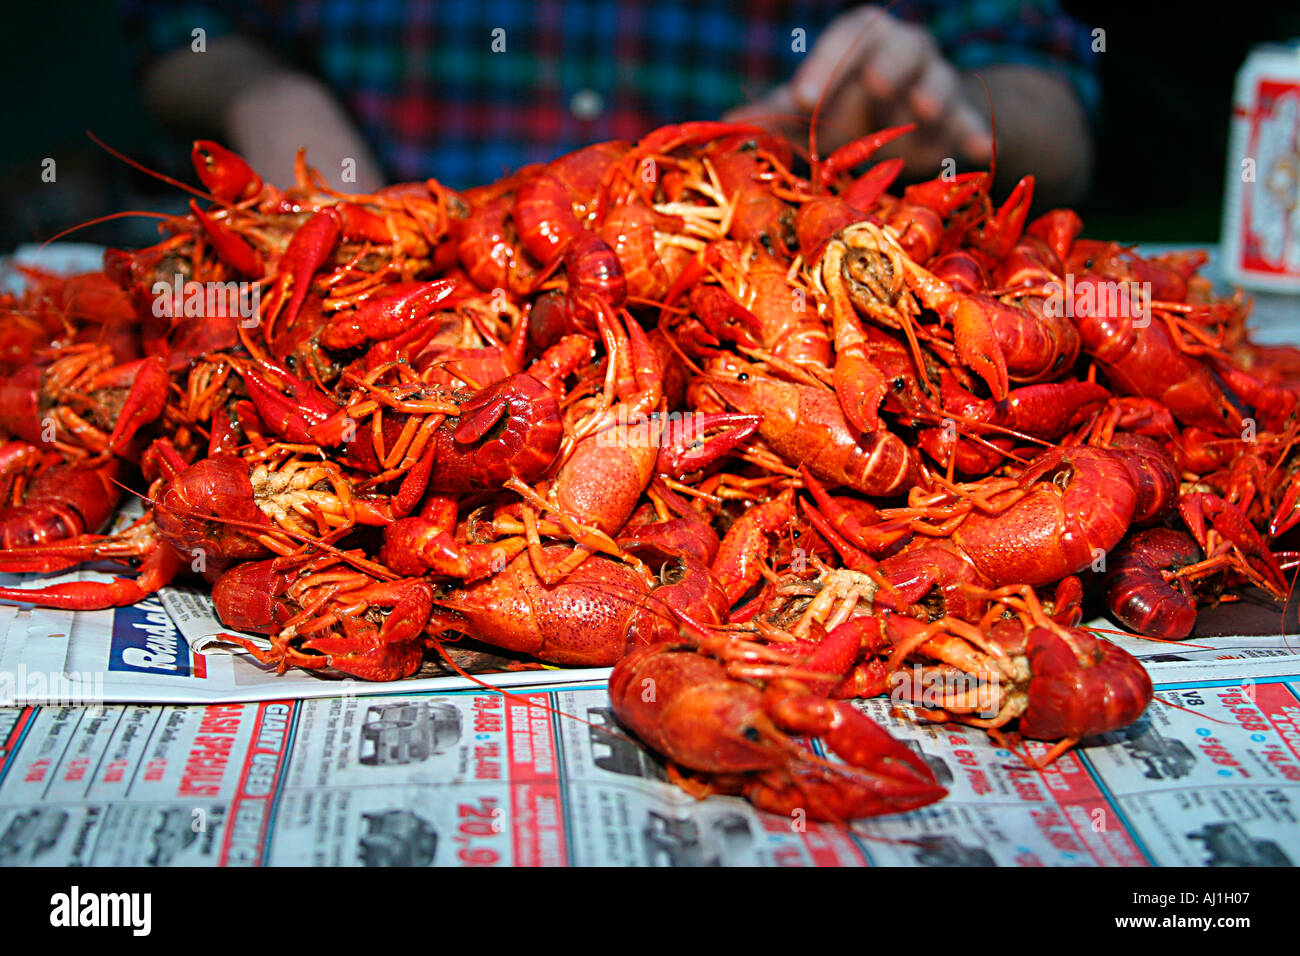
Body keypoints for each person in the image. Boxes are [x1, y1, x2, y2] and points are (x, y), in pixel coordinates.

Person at [120, 1, 1098, 206]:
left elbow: (1052, 107)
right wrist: (260, 90)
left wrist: (949, 107)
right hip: (387, 235)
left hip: (771, 254)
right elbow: (179, 34)